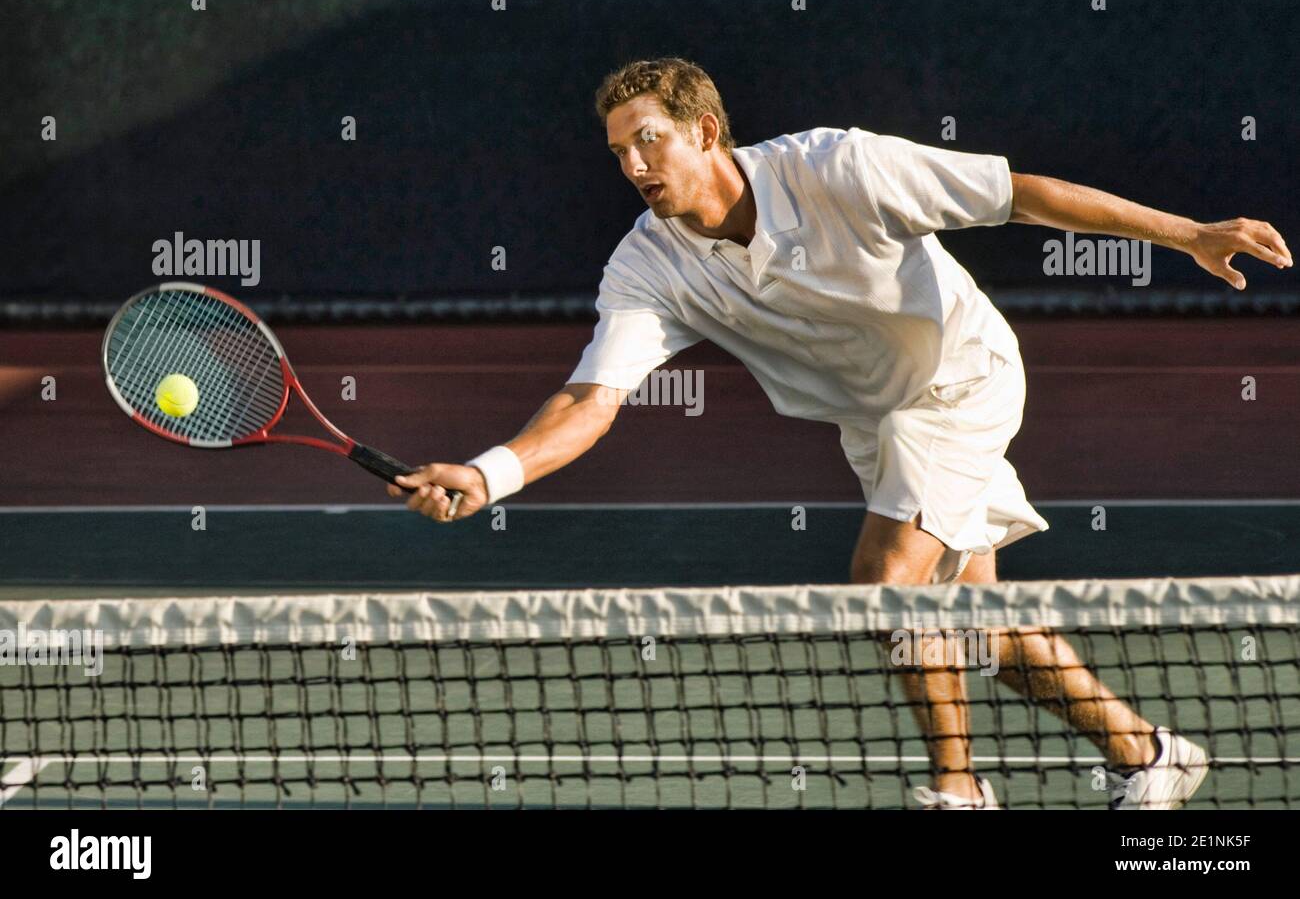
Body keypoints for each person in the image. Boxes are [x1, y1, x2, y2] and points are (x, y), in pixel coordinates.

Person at [390, 58, 1292, 809]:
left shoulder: (840, 167)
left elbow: (1021, 195)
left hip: (959, 380)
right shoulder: (648, 261)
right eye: (620, 148)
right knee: (976, 624)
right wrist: (489, 473)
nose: (632, 162)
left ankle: (957, 791)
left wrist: (1189, 234)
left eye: (648, 138)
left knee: (884, 583)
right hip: (876, 418)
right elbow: (590, 399)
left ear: (706, 131)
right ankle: (1150, 753)